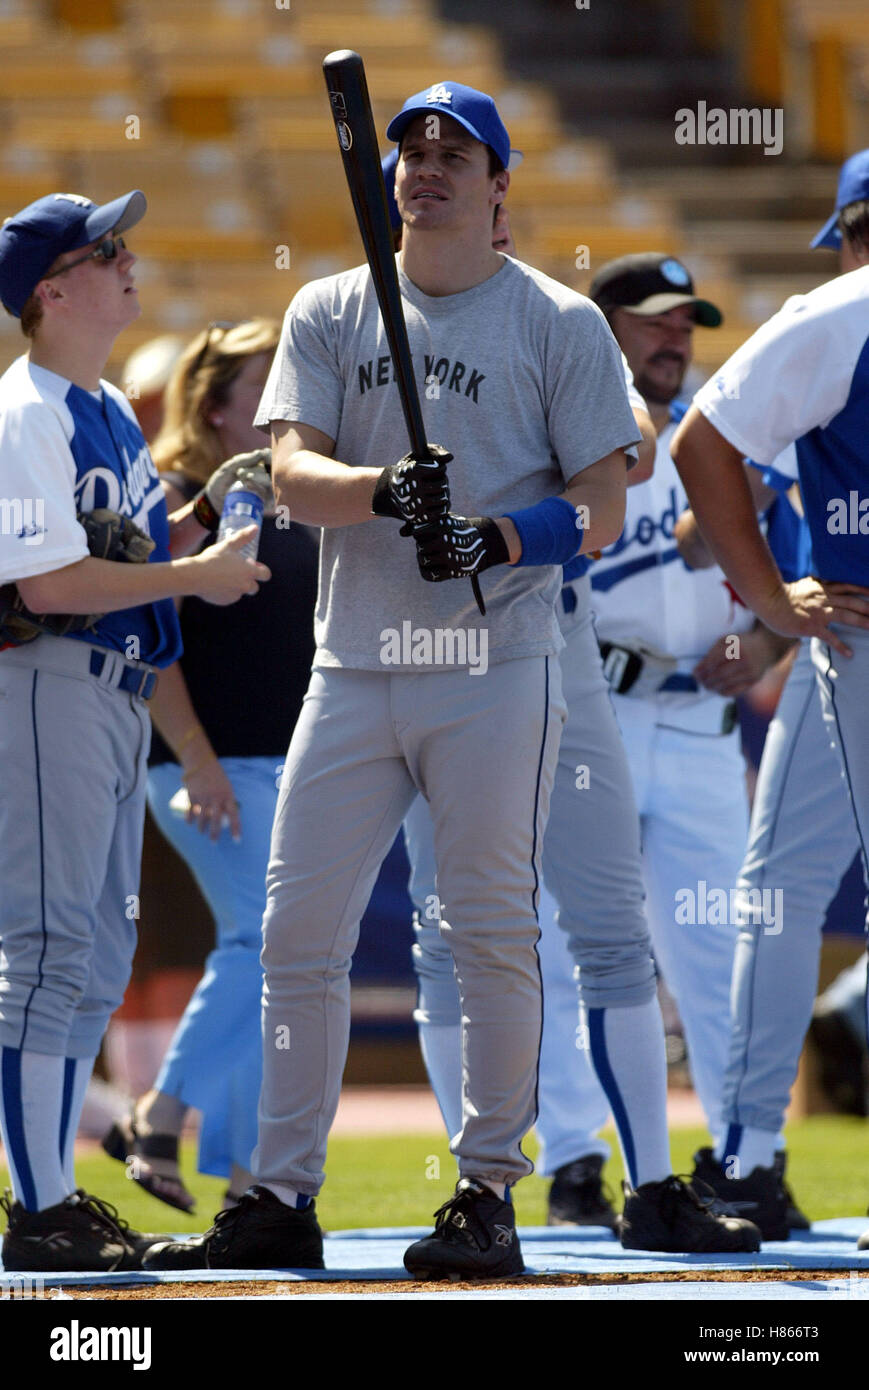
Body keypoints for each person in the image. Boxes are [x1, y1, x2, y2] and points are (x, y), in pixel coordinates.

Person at [144, 80, 759, 1279]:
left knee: (487, 930)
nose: (424, 164)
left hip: (498, 663)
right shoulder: (327, 306)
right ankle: (278, 1190)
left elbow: (600, 496)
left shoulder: (557, 322)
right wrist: (383, 491)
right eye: (408, 148)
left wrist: (499, 533)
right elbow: (288, 468)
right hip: (353, 662)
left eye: (452, 150)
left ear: (497, 186)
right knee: (294, 935)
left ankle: (484, 1192)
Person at [405, 252, 800, 1229]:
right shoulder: (565, 420)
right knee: (570, 941)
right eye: (655, 319)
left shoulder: (723, 435)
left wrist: (755, 645)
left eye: (686, 322)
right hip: (594, 706)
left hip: (702, 723)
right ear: (604, 325)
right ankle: (577, 1158)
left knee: (717, 948)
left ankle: (744, 1155)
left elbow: (782, 585)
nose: (675, 336)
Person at [0, 189, 270, 1272]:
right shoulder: (26, 411)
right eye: (104, 249)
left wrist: (207, 515)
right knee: (47, 946)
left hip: (112, 688)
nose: (127, 258)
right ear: (51, 289)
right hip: (46, 678)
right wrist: (195, 570)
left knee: (93, 951)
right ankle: (39, 1207)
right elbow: (51, 579)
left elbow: (133, 545)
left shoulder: (104, 405)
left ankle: (56, 1197)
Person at [672, 150, 869, 1240]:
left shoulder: (839, 309)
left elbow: (702, 448)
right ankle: (747, 1153)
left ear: (851, 228)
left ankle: (747, 1154)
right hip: (843, 627)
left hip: (853, 631)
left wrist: (767, 599)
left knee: (777, 890)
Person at [101, 320, 318, 1214]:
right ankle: (160, 1113)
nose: (281, 411)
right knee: (271, 947)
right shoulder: (180, 498)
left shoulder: (295, 497)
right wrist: (197, 757)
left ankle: (240, 1185)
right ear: (216, 404)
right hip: (204, 764)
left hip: (287, 764)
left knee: (269, 957)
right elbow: (151, 646)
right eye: (264, 392)